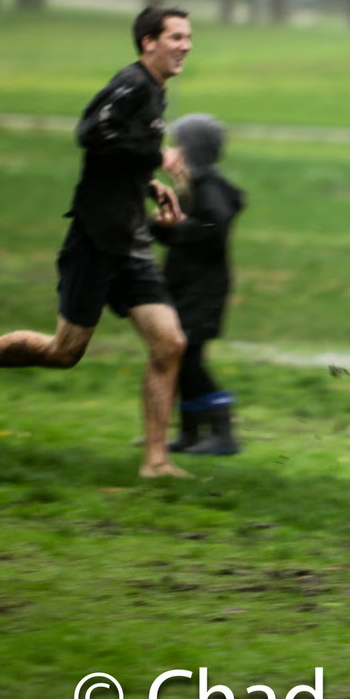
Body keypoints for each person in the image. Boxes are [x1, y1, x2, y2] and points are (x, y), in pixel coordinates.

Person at [0, 7, 193, 478]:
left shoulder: (155, 92)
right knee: (64, 351)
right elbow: (92, 132)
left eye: (189, 37)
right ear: (149, 42)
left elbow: (117, 154)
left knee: (170, 343)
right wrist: (157, 155)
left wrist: (149, 183)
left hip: (130, 240)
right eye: (175, 37)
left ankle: (155, 461)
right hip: (95, 238)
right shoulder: (130, 84)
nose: (186, 45)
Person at [152, 114, 247, 456]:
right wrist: (162, 227)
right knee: (181, 356)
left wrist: (176, 229)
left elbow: (213, 227)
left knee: (189, 358)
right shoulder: (192, 185)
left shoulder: (208, 186)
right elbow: (184, 233)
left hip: (203, 289)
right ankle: (190, 433)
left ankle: (224, 432)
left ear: (192, 149)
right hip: (185, 284)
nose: (172, 151)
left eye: (178, 144)